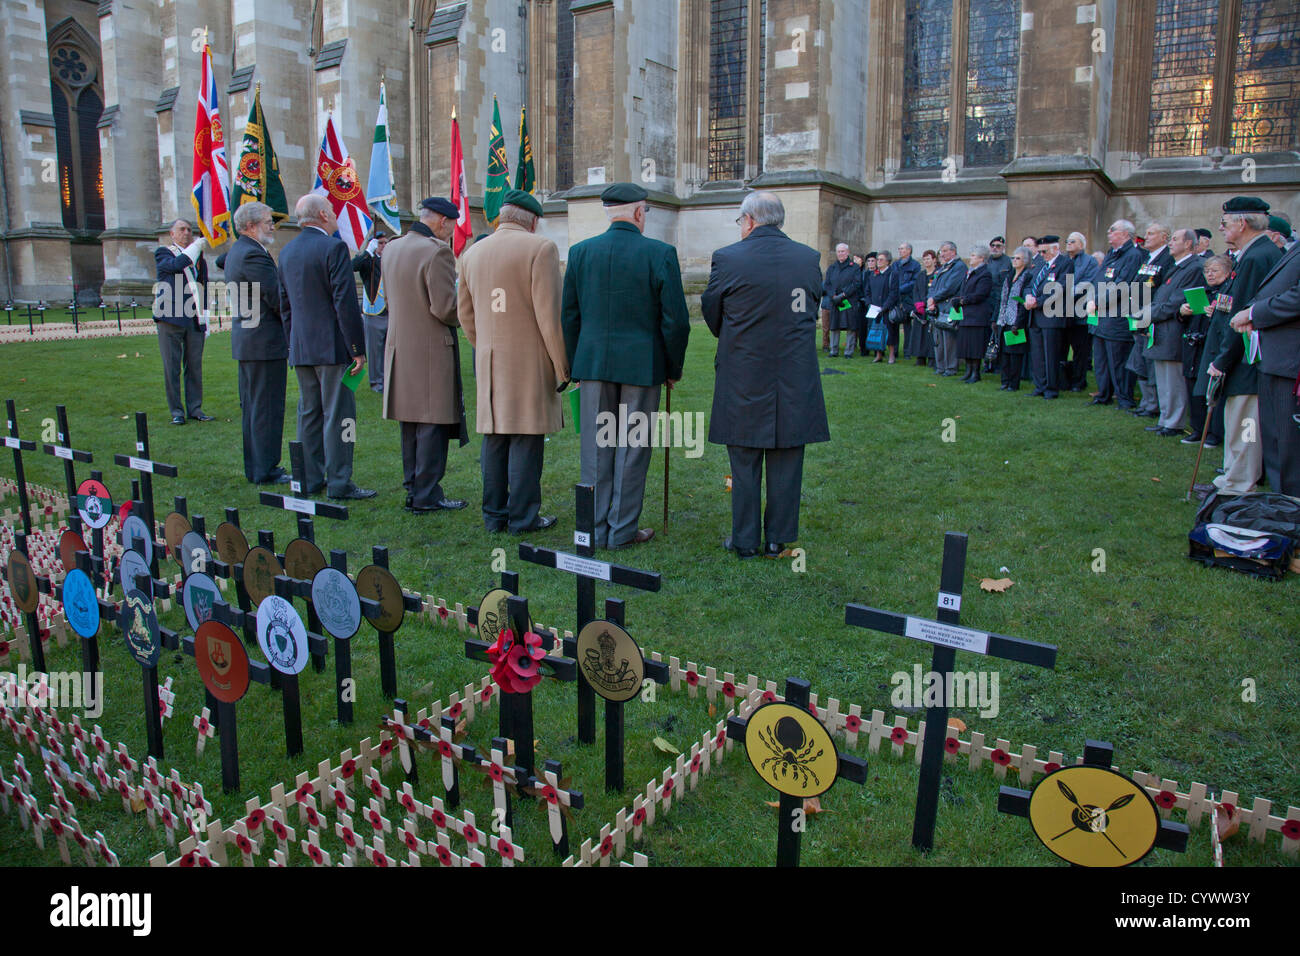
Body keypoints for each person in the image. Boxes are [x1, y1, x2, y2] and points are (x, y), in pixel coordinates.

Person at [562, 182, 690, 550]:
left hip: (594, 366)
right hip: (641, 367)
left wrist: (575, 364)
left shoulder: (581, 252)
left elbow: (569, 317)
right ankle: (618, 531)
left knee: (597, 447)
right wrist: (673, 366)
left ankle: (596, 529)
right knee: (632, 448)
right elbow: (676, 322)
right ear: (638, 212)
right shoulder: (660, 253)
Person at [702, 192, 829, 559]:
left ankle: (745, 540)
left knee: (744, 460)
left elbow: (714, 312)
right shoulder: (808, 259)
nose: (740, 227)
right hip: (793, 373)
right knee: (787, 457)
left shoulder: (728, 258)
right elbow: (807, 308)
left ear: (751, 220)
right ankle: (777, 538)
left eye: (740, 221)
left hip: (744, 373)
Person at [458, 189, 568, 533]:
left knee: (495, 437)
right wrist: (563, 367)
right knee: (525, 437)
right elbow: (549, 316)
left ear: (502, 217)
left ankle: (494, 515)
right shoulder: (541, 248)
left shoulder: (471, 253)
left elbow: (465, 313)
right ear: (533, 220)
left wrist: (486, 344)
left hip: (489, 358)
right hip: (529, 360)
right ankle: (523, 517)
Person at [278, 194, 373, 499]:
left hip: (302, 347)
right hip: (333, 348)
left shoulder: (287, 251)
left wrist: (294, 343)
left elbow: (286, 307)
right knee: (340, 415)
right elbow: (344, 302)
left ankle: (309, 478)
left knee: (309, 414)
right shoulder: (334, 248)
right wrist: (357, 347)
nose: (334, 216)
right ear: (321, 215)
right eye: (332, 211)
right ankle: (340, 482)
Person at [381, 196, 469, 513]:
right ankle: (427, 494)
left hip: (399, 346)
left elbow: (388, 298)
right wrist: (467, 311)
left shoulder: (391, 247)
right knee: (431, 423)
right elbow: (445, 308)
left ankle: (413, 488)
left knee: (410, 423)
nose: (451, 232)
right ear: (442, 222)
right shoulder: (436, 252)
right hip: (431, 348)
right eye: (451, 226)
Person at [1200, 197, 1283, 495]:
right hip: (1243, 354)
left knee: (1245, 423)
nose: (1221, 229)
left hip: (1248, 357)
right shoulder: (1253, 253)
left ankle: (1239, 485)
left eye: (1225, 224)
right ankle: (1231, 477)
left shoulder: (1257, 256)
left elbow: (1242, 314)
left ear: (1242, 223)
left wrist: (1222, 360)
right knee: (1236, 420)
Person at [223, 202, 289, 485]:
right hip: (263, 342)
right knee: (266, 408)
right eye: (266, 222)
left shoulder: (239, 251)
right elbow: (275, 298)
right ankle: (265, 468)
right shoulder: (253, 255)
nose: (272, 225)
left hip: (251, 341)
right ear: (250, 226)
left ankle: (256, 466)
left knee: (254, 407)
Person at [1230, 234, 1300, 496]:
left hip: (1289, 360)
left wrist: (1255, 313)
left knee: (1289, 447)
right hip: (1274, 357)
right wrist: (1251, 310)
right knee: (1276, 444)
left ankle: (1289, 512)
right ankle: (1281, 506)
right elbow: (1272, 289)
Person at [1141, 228, 1203, 436]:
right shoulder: (1177, 267)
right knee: (1163, 379)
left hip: (1174, 331)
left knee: (1173, 380)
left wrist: (1147, 314)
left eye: (1175, 239)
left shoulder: (1194, 267)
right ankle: (1165, 418)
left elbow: (1175, 302)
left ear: (1188, 244)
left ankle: (1174, 423)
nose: (1170, 243)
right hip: (1161, 329)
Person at [153, 219, 213, 425]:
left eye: (189, 230)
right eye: (182, 229)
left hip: (194, 318)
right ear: (172, 233)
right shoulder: (164, 253)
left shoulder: (199, 259)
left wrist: (205, 317)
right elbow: (176, 266)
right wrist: (196, 246)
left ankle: (195, 408)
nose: (187, 233)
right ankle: (176, 411)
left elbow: (202, 287)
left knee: (194, 366)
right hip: (170, 317)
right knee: (172, 366)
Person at [1091, 219, 1145, 407]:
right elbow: (1100, 280)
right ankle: (1103, 394)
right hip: (1099, 317)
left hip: (1116, 317)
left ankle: (1124, 398)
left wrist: (1097, 302)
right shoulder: (1111, 254)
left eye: (1112, 230)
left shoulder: (1132, 255)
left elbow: (1123, 286)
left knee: (1118, 361)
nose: (1108, 233)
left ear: (1125, 234)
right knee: (1101, 360)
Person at [1183, 255, 1230, 451]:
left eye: (1215, 270)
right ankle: (1198, 428)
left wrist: (1216, 313)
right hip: (1194, 345)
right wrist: (1183, 311)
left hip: (1213, 347)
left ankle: (1214, 433)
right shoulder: (1202, 291)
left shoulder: (1227, 293)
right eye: (1207, 271)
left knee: (1213, 390)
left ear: (1227, 273)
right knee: (1194, 386)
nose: (1209, 274)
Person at [1129, 222, 1175, 419]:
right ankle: (1147, 402)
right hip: (1137, 315)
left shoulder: (1167, 259)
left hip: (1151, 318)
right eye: (1146, 233)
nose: (1146, 237)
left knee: (1150, 363)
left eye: (1151, 234)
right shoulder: (1148, 258)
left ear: (1164, 237)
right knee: (1140, 360)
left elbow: (1161, 292)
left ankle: (1154, 405)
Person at [1022, 235, 1070, 399]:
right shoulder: (1041, 265)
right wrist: (1028, 297)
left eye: (1044, 251)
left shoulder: (1066, 263)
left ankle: (1051, 388)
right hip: (1035, 316)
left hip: (1051, 316)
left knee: (1050, 355)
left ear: (1056, 249)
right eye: (1040, 251)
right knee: (1038, 354)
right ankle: (1040, 385)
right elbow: (1029, 284)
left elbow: (1061, 288)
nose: (1041, 254)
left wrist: (1038, 302)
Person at [352, 229, 390, 393]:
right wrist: (368, 251)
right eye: (380, 243)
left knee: (390, 349)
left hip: (390, 310)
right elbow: (353, 266)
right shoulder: (368, 260)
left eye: (385, 243)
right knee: (375, 351)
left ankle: (389, 380)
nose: (383, 246)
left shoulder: (390, 259)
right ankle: (376, 382)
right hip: (374, 311)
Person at [950, 245, 993, 383]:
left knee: (975, 346)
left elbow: (980, 294)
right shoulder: (970, 272)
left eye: (974, 255)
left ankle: (975, 372)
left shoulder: (984, 274)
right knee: (966, 345)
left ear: (982, 258)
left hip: (977, 316)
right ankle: (968, 371)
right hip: (966, 315)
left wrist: (962, 301)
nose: (971, 258)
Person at [1065, 231, 1100, 391]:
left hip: (1081, 312)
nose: (1068, 244)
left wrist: (1063, 293)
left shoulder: (1089, 261)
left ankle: (1079, 381)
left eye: (1072, 241)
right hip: (1062, 312)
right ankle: (1063, 378)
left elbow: (1088, 283)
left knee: (1081, 350)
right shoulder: (1064, 260)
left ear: (1082, 244)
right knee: (1062, 347)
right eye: (1067, 241)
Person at [996, 247, 1033, 390]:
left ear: (1025, 261)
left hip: (1017, 320)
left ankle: (1013, 383)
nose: (1014, 261)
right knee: (1005, 353)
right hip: (1004, 319)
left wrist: (1018, 322)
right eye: (1013, 258)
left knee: (1015, 354)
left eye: (1018, 258)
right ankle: (1004, 381)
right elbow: (1003, 298)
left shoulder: (1027, 276)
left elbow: (1023, 302)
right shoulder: (1009, 276)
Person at [927, 241, 966, 377]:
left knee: (949, 340)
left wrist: (934, 298)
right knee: (938, 339)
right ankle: (940, 366)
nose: (942, 254)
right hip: (937, 307)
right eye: (941, 251)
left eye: (944, 251)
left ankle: (950, 367)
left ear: (953, 252)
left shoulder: (959, 266)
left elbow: (950, 287)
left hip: (950, 308)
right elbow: (933, 286)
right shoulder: (943, 267)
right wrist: (930, 299)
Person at [823, 243, 860, 358]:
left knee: (850, 327)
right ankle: (833, 350)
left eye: (843, 251)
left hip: (849, 301)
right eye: (838, 251)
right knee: (834, 326)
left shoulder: (854, 267)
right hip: (835, 301)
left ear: (848, 252)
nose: (840, 254)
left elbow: (856, 284)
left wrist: (844, 294)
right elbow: (827, 284)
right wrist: (833, 295)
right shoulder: (832, 267)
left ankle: (848, 352)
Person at [863, 250, 899, 363]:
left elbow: (893, 293)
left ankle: (891, 355)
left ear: (888, 261)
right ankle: (878, 354)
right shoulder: (873, 274)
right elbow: (867, 290)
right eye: (878, 259)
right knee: (875, 331)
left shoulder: (893, 274)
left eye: (881, 259)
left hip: (887, 309)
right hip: (874, 308)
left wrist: (885, 307)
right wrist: (869, 303)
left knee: (889, 332)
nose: (878, 261)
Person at [909, 250, 938, 367]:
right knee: (919, 334)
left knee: (930, 335)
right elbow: (915, 290)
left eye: (928, 259)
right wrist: (917, 303)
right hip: (920, 311)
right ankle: (920, 357)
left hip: (932, 309)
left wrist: (930, 303)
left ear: (934, 260)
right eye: (924, 259)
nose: (926, 261)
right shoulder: (921, 275)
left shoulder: (937, 274)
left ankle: (931, 358)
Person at [894, 243, 922, 360]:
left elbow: (914, 282)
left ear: (909, 250)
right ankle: (894, 350)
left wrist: (900, 289)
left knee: (907, 327)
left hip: (908, 299)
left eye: (902, 249)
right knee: (893, 324)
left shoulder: (915, 265)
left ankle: (907, 351)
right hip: (896, 298)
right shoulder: (895, 264)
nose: (900, 251)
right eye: (899, 248)